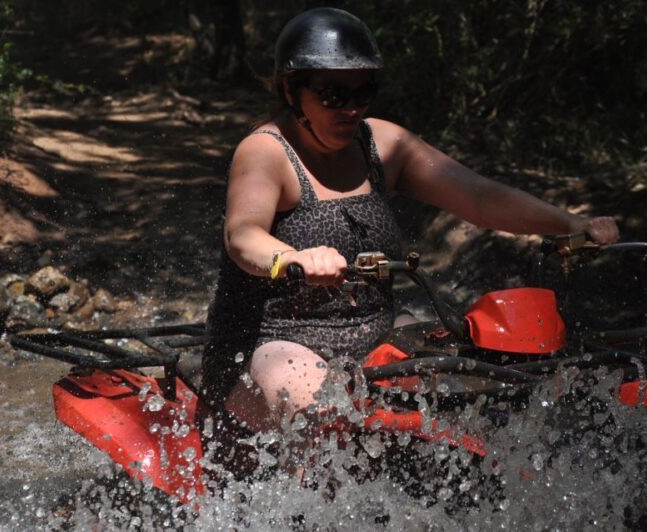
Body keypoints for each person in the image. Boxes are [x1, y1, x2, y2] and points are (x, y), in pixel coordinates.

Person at [201, 7, 618, 434]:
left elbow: (479, 197)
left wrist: (567, 222)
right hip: (269, 345)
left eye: (363, 93)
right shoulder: (266, 150)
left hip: (375, 338)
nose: (350, 109)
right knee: (325, 413)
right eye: (333, 95)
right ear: (291, 89)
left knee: (476, 386)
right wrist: (291, 258)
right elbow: (243, 236)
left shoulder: (382, 144)